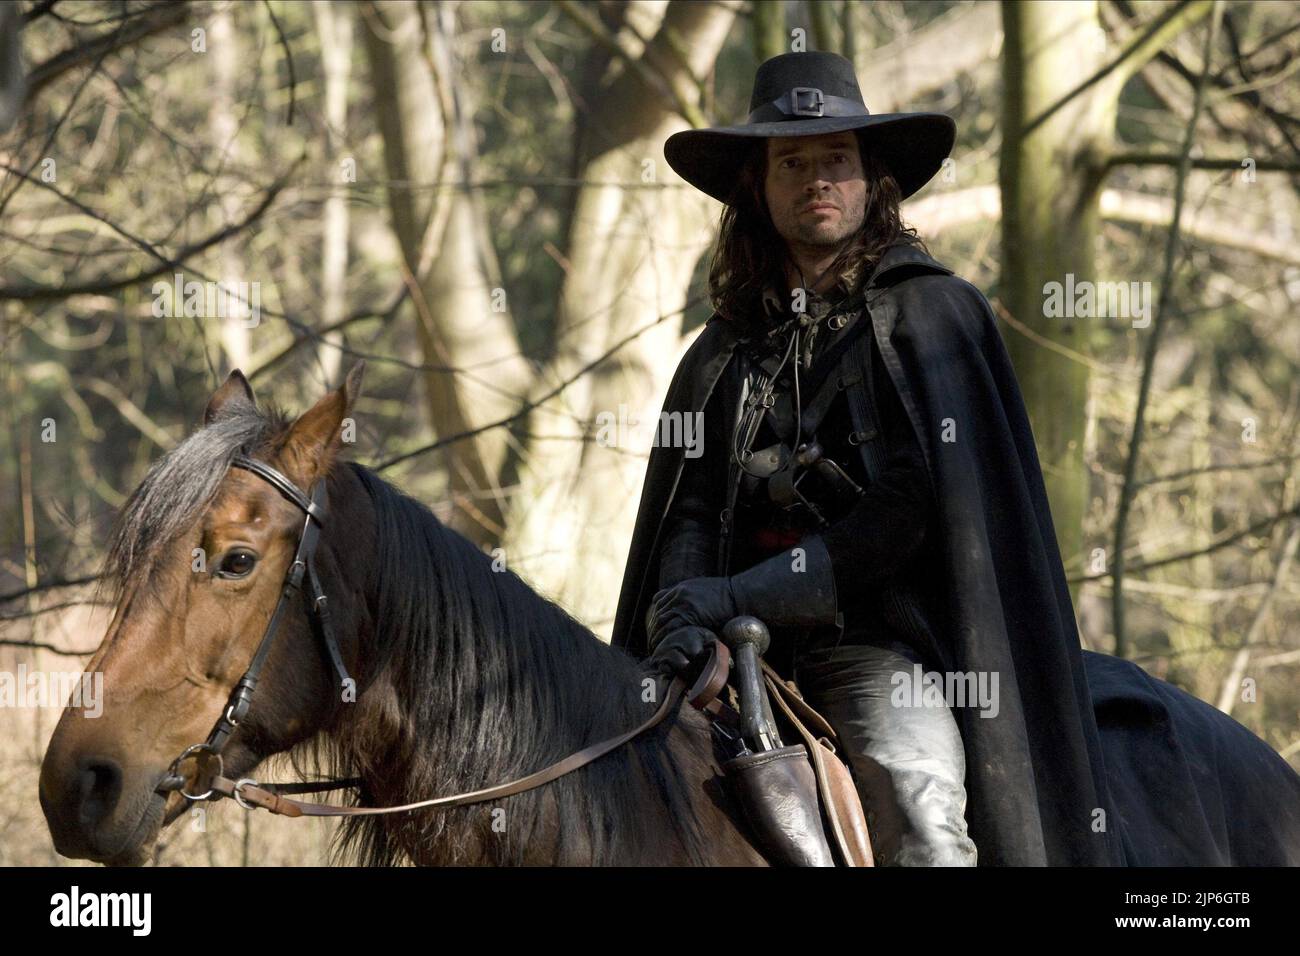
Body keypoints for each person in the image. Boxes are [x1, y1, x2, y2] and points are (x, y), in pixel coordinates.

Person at [610, 51, 1128, 867]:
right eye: (792, 162)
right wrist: (678, 610)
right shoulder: (721, 351)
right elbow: (694, 504)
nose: (816, 179)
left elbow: (912, 508)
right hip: (719, 652)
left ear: (868, 179)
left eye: (835, 161)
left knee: (916, 805)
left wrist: (740, 593)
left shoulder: (935, 316)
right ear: (759, 186)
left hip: (877, 647)